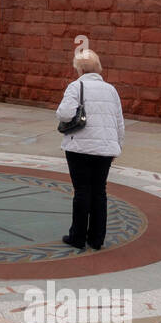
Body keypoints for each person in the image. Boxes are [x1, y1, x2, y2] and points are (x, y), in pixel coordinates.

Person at [56, 49, 126, 251]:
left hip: (79, 147)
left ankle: (77, 237)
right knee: (99, 192)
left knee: (81, 191)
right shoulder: (111, 90)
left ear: (79, 68)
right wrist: (117, 146)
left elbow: (65, 114)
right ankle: (97, 238)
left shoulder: (75, 87)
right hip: (105, 148)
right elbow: (119, 121)